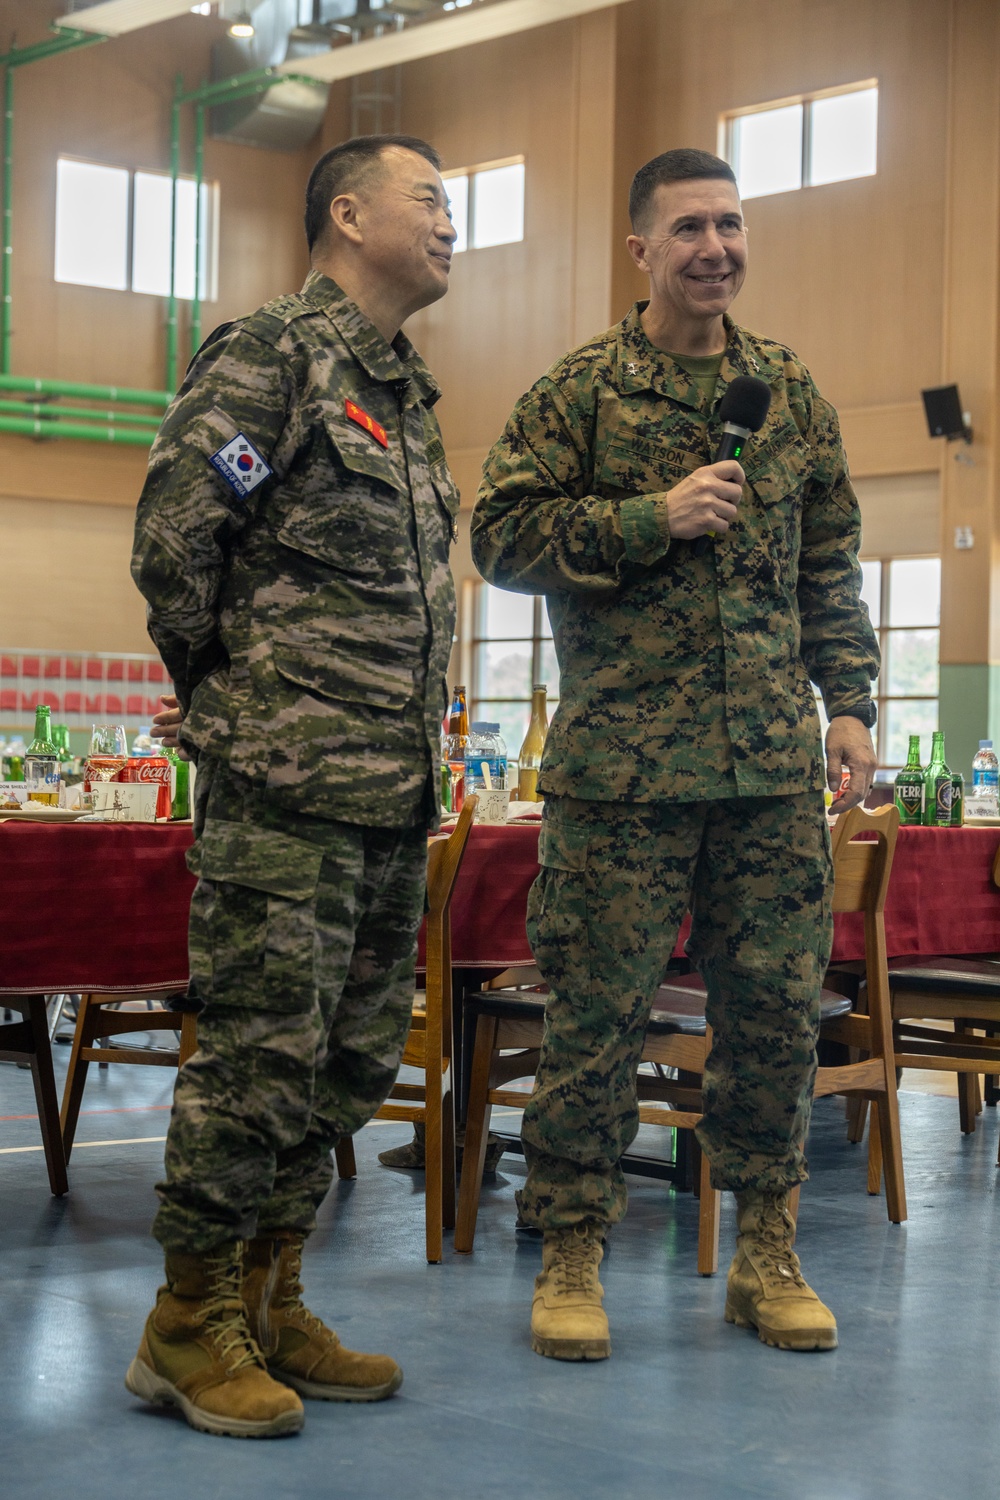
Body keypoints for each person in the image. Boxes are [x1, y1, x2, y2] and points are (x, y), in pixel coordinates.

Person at [471, 148, 878, 1363]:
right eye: (689, 227)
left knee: (769, 1019)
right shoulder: (580, 392)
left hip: (766, 771)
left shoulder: (789, 392)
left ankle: (766, 1252)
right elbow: (499, 534)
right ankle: (573, 1254)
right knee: (594, 1019)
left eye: (731, 224)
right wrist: (649, 518)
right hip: (624, 776)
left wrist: (846, 700)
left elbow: (829, 558)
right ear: (639, 249)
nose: (716, 247)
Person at [128, 134, 459, 1438]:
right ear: (348, 211)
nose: (451, 224)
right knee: (260, 1057)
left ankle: (270, 1296)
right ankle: (184, 1323)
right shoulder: (273, 357)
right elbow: (177, 537)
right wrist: (238, 696)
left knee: (344, 1060)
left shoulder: (403, 390)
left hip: (388, 790)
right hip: (284, 780)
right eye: (431, 199)